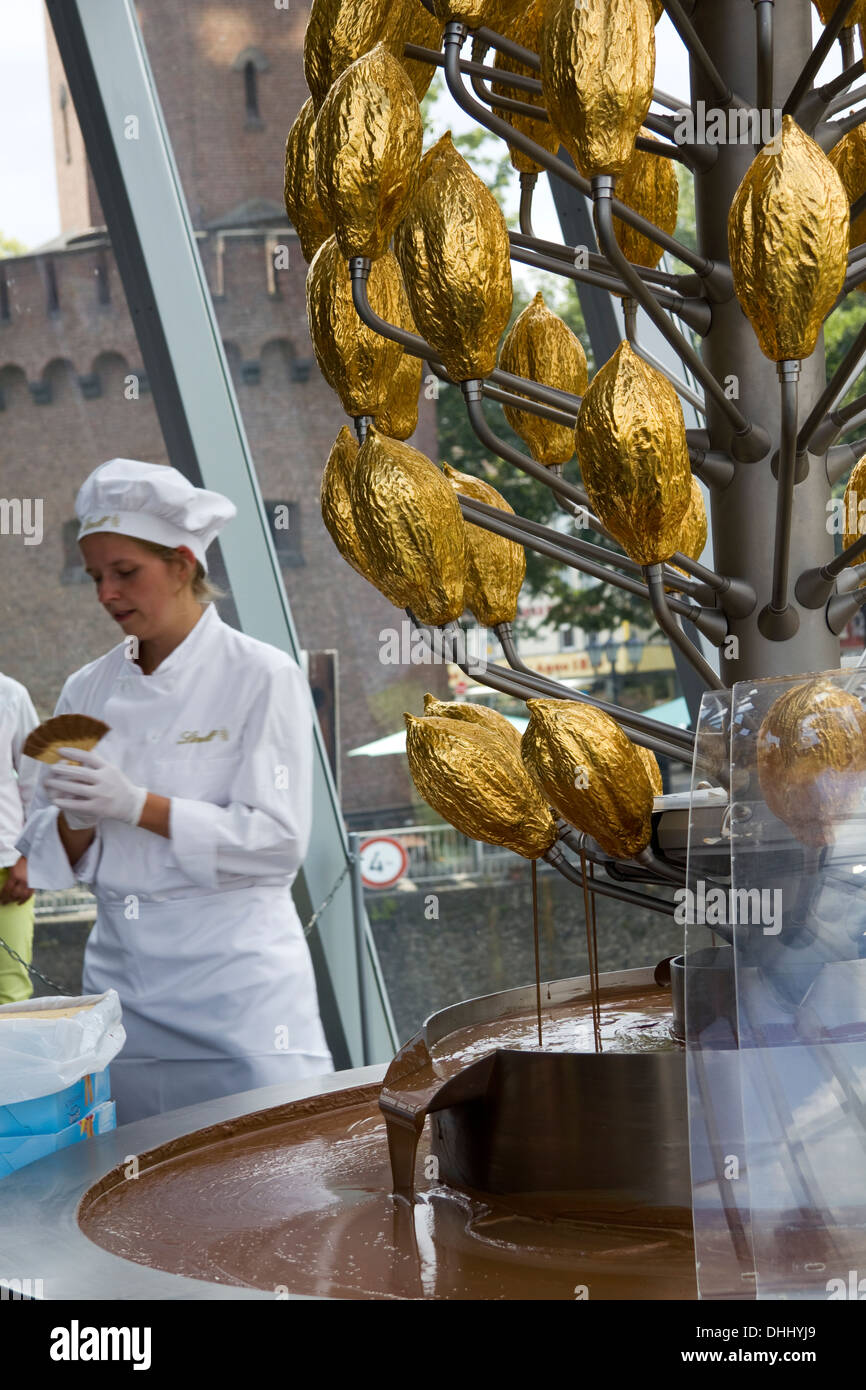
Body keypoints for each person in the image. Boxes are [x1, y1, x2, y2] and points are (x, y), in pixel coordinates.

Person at [17, 457, 333, 1123]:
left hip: (239, 994)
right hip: (126, 996)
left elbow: (276, 845)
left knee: (268, 1195)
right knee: (134, 1199)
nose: (107, 593)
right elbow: (46, 855)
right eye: (96, 575)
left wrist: (137, 805)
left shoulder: (261, 677)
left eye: (125, 572)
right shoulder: (85, 689)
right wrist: (77, 818)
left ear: (185, 564)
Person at [0, 672, 38, 1004]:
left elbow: (37, 782)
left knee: (10, 994)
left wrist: (29, 858)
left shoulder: (9, 695)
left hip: (6, 867)